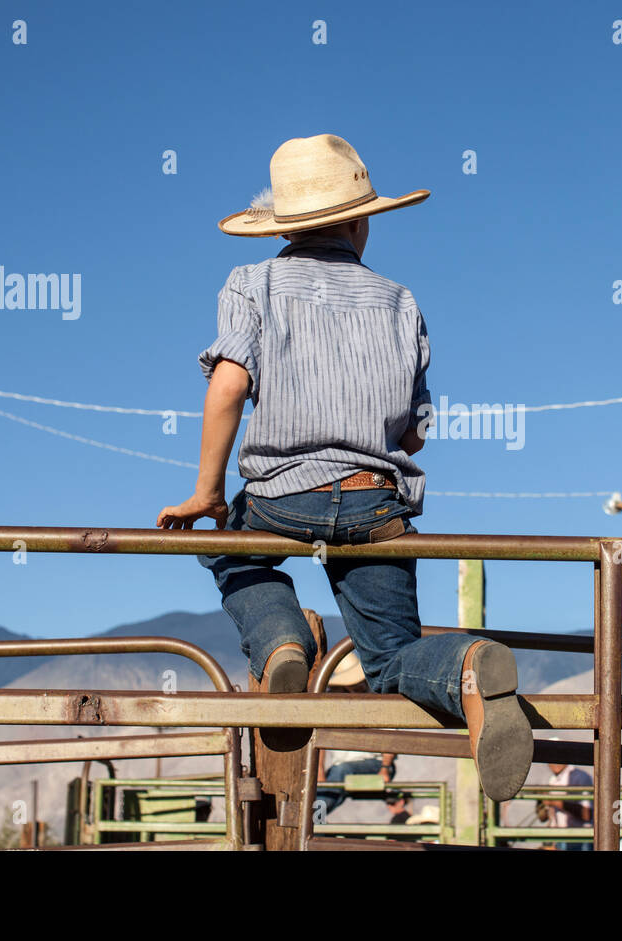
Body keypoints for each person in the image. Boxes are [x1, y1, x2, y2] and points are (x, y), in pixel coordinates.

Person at [156, 134, 533, 802]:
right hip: (375, 502)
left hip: (280, 497)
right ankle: (471, 665)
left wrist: (207, 492)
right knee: (389, 655)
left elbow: (229, 385)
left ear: (285, 228)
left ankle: (280, 644)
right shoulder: (399, 299)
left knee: (227, 549)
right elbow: (414, 436)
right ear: (361, 222)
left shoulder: (252, 283)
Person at [542, 757, 593, 851]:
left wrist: (554, 801)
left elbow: (587, 814)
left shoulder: (581, 777)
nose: (554, 763)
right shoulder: (552, 779)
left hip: (579, 837)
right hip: (559, 837)